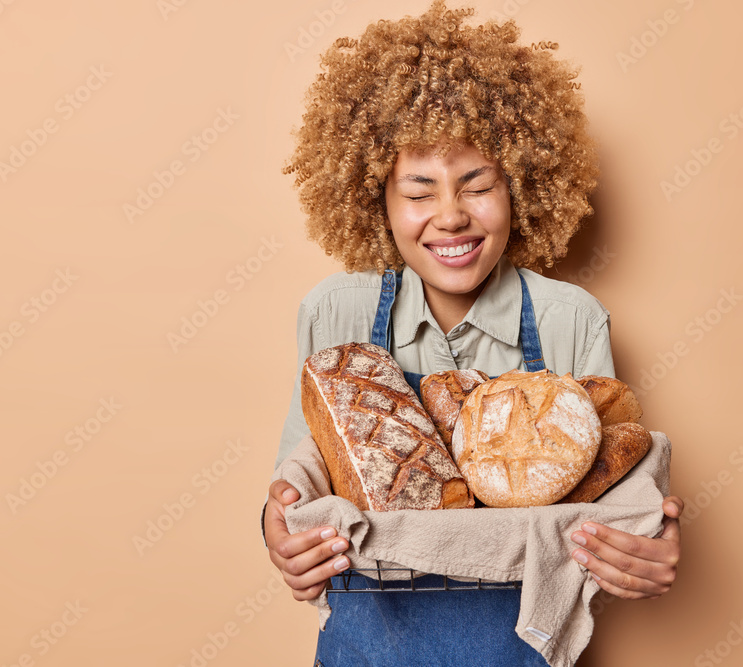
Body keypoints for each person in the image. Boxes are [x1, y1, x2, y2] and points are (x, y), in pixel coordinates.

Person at [263, 1, 683, 663]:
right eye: (419, 190)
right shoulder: (335, 313)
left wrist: (644, 543)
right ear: (376, 198)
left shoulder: (568, 320)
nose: (451, 216)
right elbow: (295, 487)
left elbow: (616, 511)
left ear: (521, 184)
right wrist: (282, 537)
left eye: (477, 183)